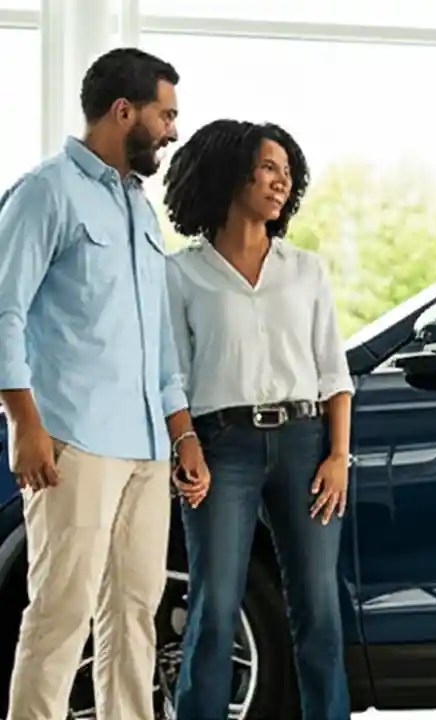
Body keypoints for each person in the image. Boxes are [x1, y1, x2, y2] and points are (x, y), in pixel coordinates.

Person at [0, 48, 210, 719]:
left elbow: (157, 343)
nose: (174, 130)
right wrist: (25, 424)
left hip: (147, 449)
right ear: (125, 111)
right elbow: (3, 311)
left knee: (134, 615)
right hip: (75, 443)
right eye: (166, 113)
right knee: (61, 614)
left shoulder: (140, 212)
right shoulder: (46, 192)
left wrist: (183, 434)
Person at [163, 118, 354, 719]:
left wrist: (338, 456)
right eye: (269, 167)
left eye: (287, 174)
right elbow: (171, 374)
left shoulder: (306, 270)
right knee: (216, 607)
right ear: (230, 171)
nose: (280, 182)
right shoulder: (182, 273)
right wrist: (185, 441)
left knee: (318, 609)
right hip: (223, 448)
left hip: (305, 443)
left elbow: (333, 374)